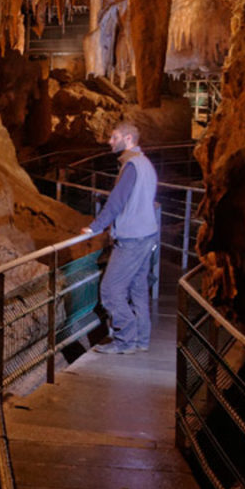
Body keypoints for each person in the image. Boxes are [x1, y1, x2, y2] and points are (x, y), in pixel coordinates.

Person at [80, 121, 159, 354]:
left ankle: (125, 340)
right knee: (137, 289)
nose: (109, 141)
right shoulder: (145, 163)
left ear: (128, 139)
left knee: (110, 290)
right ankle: (141, 339)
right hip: (147, 234)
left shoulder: (131, 166)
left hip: (132, 238)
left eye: (114, 137)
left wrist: (95, 227)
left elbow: (116, 201)